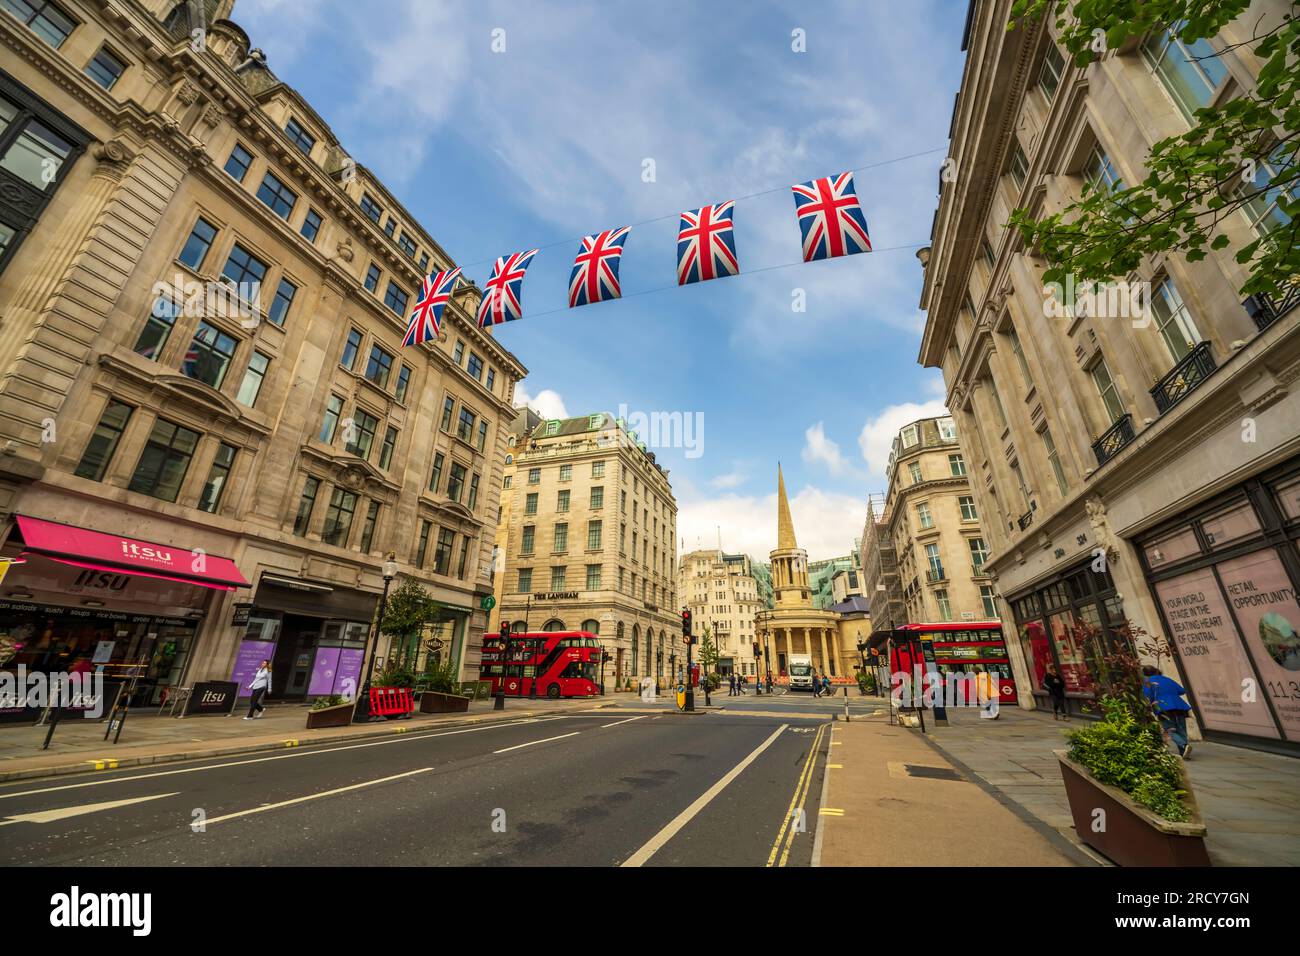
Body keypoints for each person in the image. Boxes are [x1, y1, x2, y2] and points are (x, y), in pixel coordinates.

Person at [1143, 665, 1193, 758]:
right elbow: (1181, 690)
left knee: (1170, 730)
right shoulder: (1167, 679)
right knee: (1181, 729)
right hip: (1179, 706)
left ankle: (1184, 745)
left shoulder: (1148, 682)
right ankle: (1184, 752)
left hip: (1163, 708)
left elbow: (1147, 696)